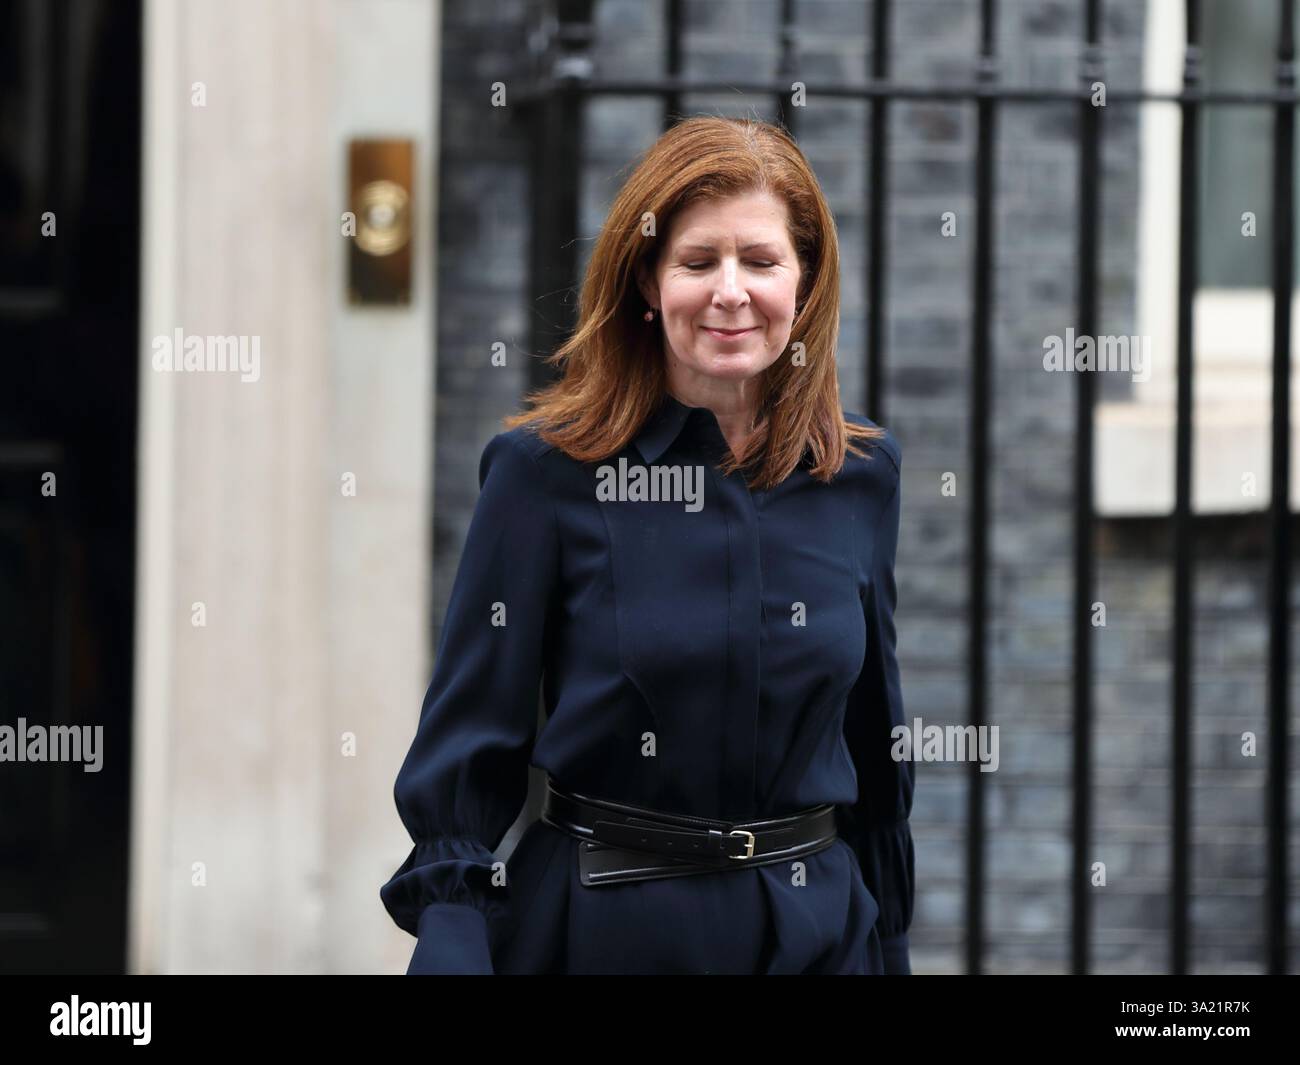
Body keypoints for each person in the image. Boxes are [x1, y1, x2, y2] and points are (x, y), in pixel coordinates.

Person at [380, 115, 914, 974]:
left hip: (819, 939)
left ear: (806, 283)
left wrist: (887, 940)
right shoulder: (542, 477)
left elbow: (875, 740)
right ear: (648, 281)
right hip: (606, 934)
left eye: (762, 261)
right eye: (698, 261)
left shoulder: (860, 474)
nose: (731, 292)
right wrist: (452, 932)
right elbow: (470, 741)